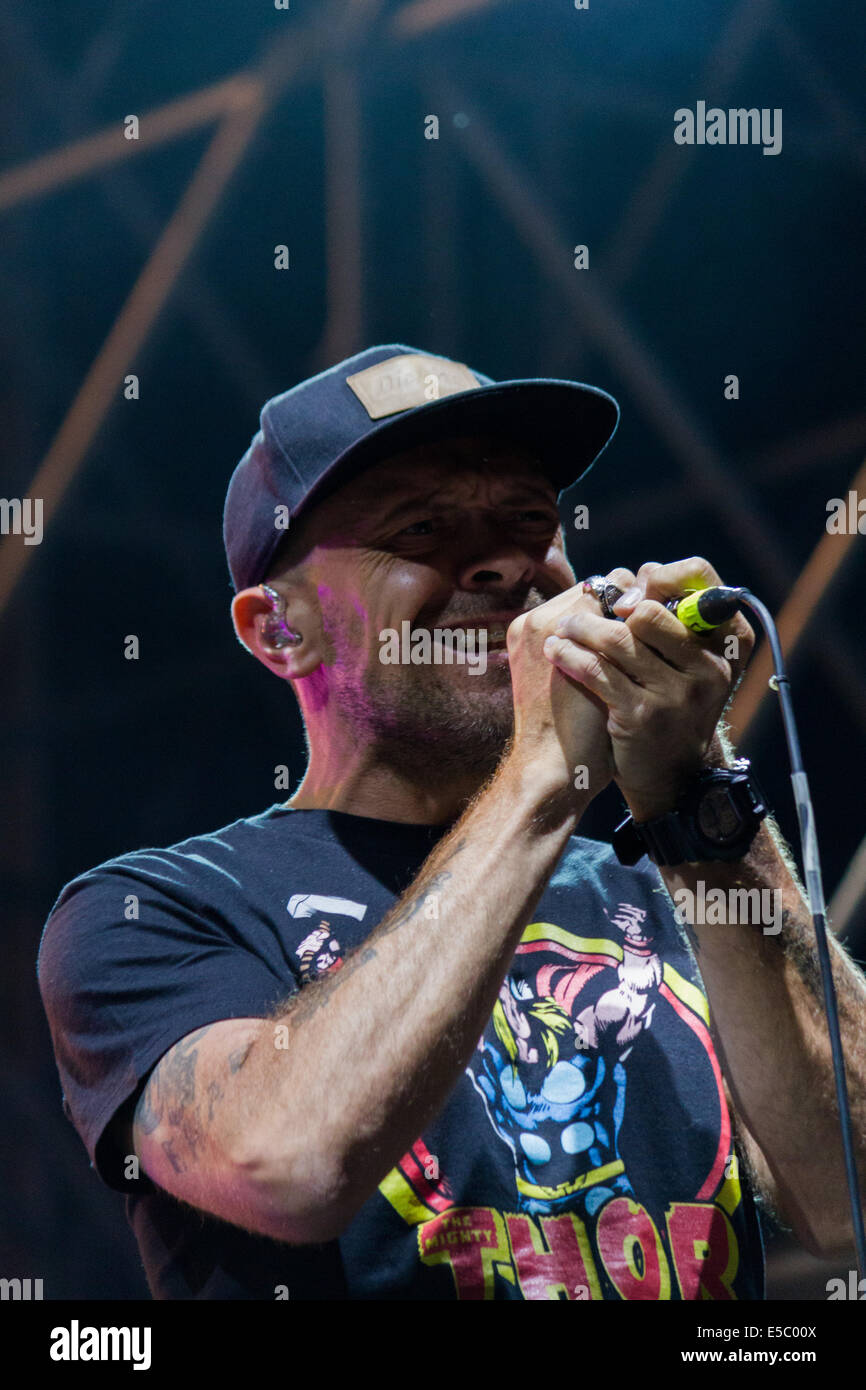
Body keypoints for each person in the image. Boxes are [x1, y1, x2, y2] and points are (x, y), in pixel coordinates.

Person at [37, 344, 866, 1300]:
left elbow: (848, 1196)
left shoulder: (665, 885)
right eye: (422, 528)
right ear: (279, 628)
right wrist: (540, 782)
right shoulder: (151, 912)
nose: (506, 561)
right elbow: (290, 1166)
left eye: (528, 520)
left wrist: (696, 792)